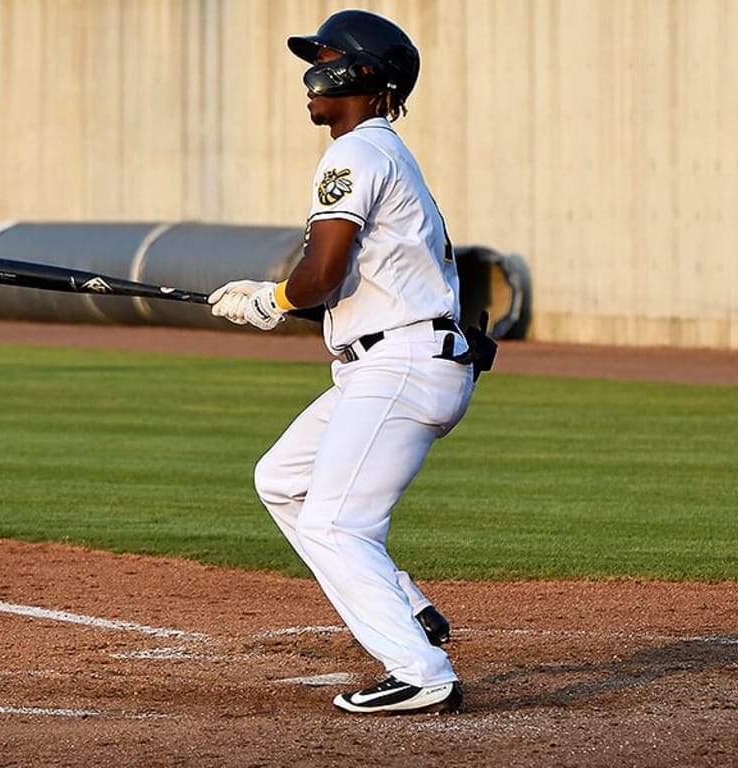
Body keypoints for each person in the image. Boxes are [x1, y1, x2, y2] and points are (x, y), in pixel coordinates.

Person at [207, 9, 492, 715]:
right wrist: (273, 296)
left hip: (400, 366)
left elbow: (324, 271)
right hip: (396, 361)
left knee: (338, 524)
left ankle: (421, 671)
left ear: (359, 75)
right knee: (282, 480)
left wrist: (271, 301)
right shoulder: (381, 151)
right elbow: (347, 281)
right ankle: (404, 604)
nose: (310, 74)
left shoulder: (356, 152)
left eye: (323, 59)